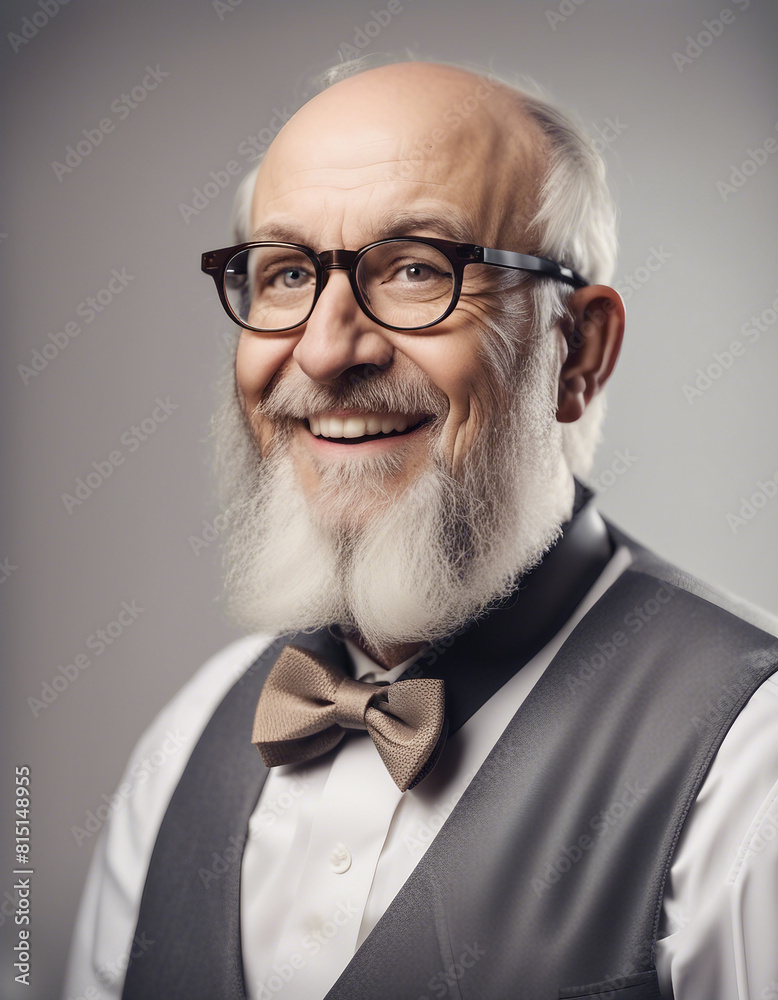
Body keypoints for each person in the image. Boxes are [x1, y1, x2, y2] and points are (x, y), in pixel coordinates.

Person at [63, 59, 778, 1000]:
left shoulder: (750, 760)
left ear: (578, 351)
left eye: (415, 269)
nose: (327, 349)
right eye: (287, 274)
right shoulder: (189, 736)